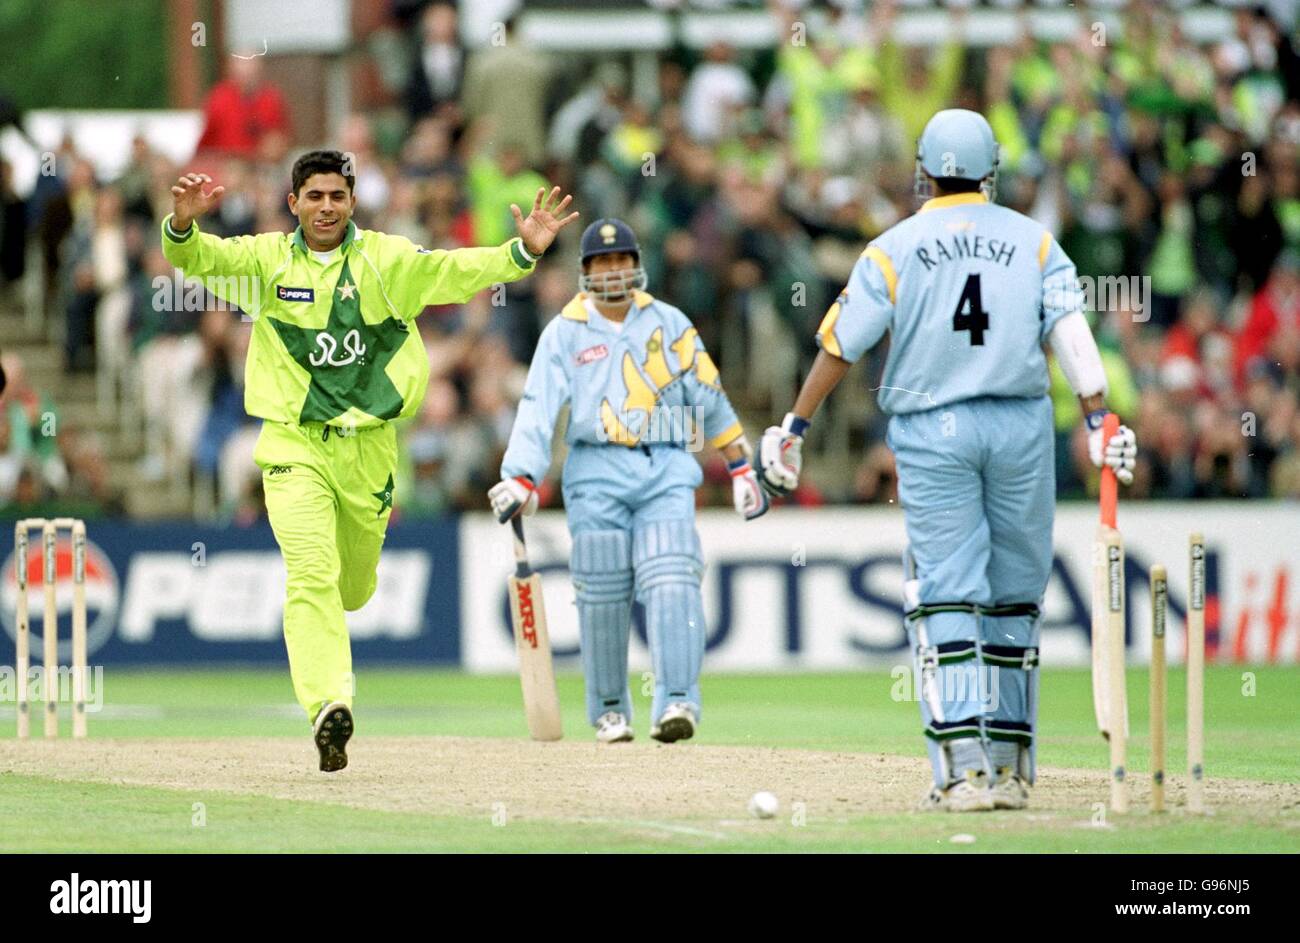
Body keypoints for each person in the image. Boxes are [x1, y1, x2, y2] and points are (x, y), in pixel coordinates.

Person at [759, 110, 1139, 812]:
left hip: (934, 427)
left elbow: (841, 346)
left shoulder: (894, 247)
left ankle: (963, 768)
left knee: (947, 594)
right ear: (991, 171)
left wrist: (795, 424)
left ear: (925, 170)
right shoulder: (1033, 241)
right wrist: (1096, 421)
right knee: (1015, 595)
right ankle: (1013, 763)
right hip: (1022, 424)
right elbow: (1074, 338)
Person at [161, 149, 578, 771]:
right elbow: (198, 259)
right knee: (310, 572)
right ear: (293, 202)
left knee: (351, 587)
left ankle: (342, 634)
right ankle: (330, 706)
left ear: (353, 202)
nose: (326, 206)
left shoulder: (388, 260)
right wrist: (183, 226)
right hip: (293, 446)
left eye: (337, 196)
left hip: (370, 452)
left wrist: (520, 254)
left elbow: (454, 271)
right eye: (314, 196)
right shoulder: (266, 262)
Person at [489, 218, 767, 745]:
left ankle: (677, 701)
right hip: (594, 472)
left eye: (621, 261)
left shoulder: (670, 321)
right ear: (586, 270)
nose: (613, 271)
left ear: (636, 265)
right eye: (602, 262)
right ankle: (610, 709)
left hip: (665, 466)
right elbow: (538, 408)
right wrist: (521, 477)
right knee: (602, 591)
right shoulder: (564, 331)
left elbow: (709, 394)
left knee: (672, 579)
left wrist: (739, 464)